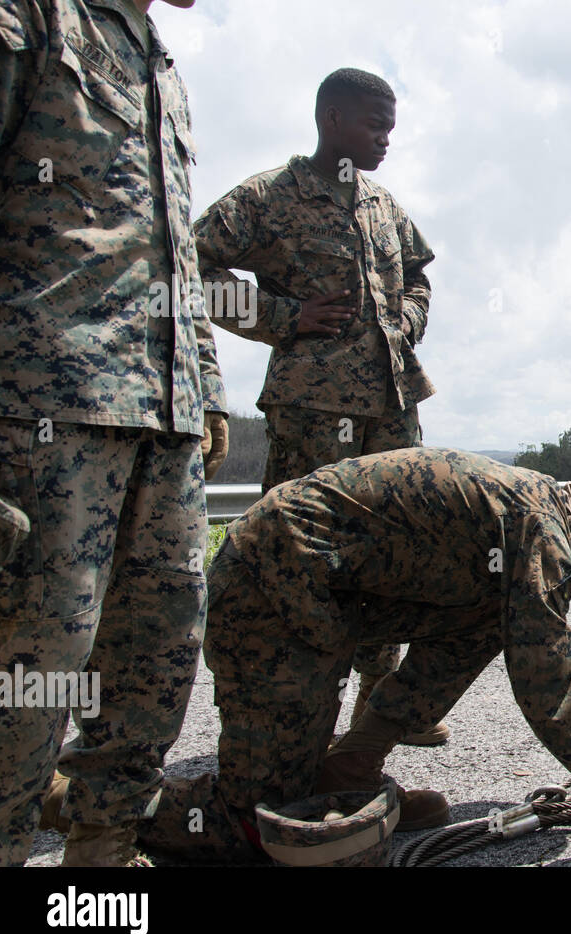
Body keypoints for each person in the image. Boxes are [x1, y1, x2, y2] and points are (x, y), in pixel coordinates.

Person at [136, 448, 571, 863]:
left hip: (317, 598)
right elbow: (544, 679)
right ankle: (103, 801)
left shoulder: (531, 513)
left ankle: (352, 769)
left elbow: (480, 645)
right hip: (270, 587)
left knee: (483, 623)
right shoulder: (542, 528)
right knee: (264, 824)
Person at [0, 0, 227, 866]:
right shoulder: (33, 15)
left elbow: (178, 252)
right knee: (30, 668)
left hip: (161, 422)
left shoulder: (160, 63)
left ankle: (103, 857)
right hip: (41, 406)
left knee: (157, 657)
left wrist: (204, 386)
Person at [194, 67, 439, 743]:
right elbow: (192, 263)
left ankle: (380, 706)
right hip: (311, 410)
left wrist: (409, 321)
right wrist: (282, 315)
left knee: (392, 546)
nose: (386, 139)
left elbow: (417, 277)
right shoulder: (271, 197)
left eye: (391, 126)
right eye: (374, 124)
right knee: (303, 550)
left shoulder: (382, 204)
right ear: (332, 119)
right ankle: (287, 706)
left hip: (391, 407)